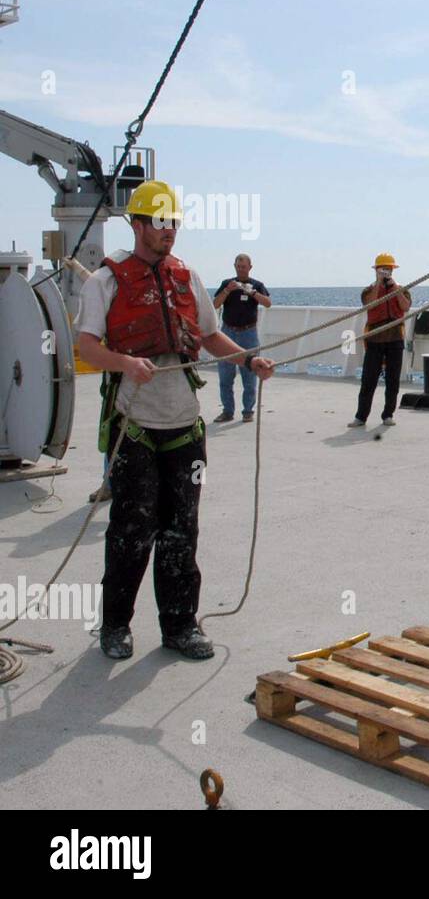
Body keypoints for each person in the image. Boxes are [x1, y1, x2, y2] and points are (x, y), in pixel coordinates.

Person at [75, 180, 275, 661]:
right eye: (160, 223)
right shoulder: (104, 282)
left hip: (184, 425)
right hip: (135, 425)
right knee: (130, 528)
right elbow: (85, 348)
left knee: (182, 529)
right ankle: (116, 626)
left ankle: (180, 625)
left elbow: (208, 336)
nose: (169, 232)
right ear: (138, 224)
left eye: (174, 224)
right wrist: (125, 364)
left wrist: (249, 361)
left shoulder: (187, 278)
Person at [349, 253, 411, 428]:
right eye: (383, 269)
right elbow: (369, 304)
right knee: (368, 380)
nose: (386, 271)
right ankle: (361, 417)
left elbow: (405, 307)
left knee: (393, 380)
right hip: (375, 340)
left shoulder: (401, 289)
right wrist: (378, 284)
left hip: (395, 339)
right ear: (376, 270)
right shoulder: (368, 290)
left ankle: (388, 415)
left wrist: (395, 288)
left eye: (389, 269)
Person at [212, 253, 272, 423]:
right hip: (228, 332)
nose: (241, 269)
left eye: (244, 266)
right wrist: (227, 290)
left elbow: (268, 303)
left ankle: (248, 411)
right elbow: (215, 304)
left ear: (250, 267)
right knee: (225, 375)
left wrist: (252, 292)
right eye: (238, 266)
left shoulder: (257, 285)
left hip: (248, 333)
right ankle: (227, 411)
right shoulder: (227, 283)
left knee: (249, 375)